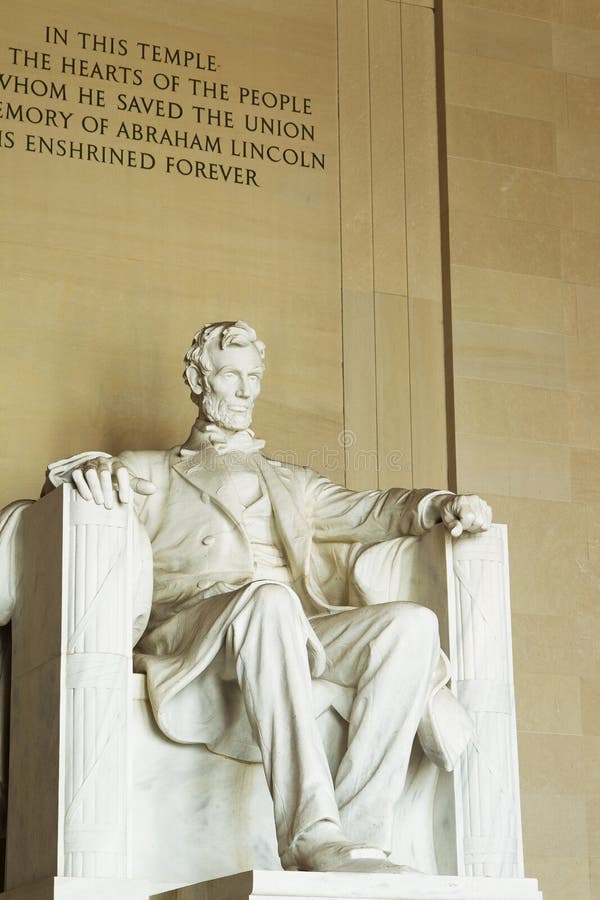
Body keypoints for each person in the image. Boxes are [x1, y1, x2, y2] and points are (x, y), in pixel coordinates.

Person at [46, 320, 491, 874]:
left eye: (253, 377)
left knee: (412, 625)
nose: (246, 390)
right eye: (231, 375)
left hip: (286, 628)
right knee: (269, 599)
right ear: (197, 378)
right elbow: (65, 488)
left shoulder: (292, 481)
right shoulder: (150, 470)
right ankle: (309, 832)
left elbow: (374, 510)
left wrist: (440, 505)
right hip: (194, 630)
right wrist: (90, 468)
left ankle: (358, 835)